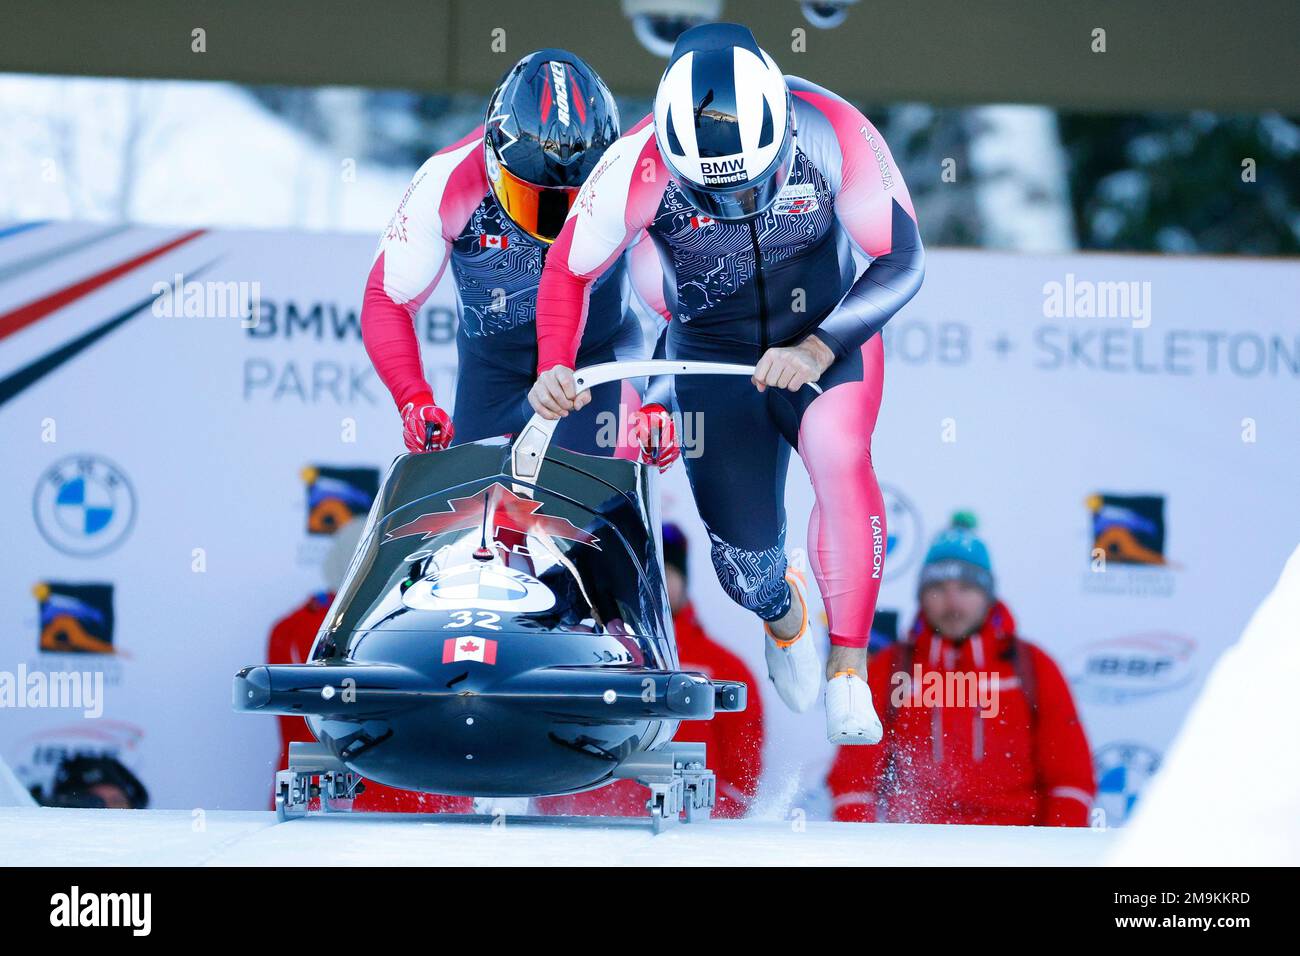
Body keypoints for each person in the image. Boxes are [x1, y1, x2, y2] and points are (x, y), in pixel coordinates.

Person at [528, 22, 924, 742]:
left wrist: (817, 347)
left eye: (753, 187)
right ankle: (783, 612)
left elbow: (903, 261)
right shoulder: (631, 165)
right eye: (715, 197)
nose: (737, 205)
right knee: (744, 567)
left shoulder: (835, 128)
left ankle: (848, 668)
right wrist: (555, 361)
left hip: (828, 337)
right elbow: (567, 269)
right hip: (712, 353)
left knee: (838, 453)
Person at [361, 48, 676, 467]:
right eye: (533, 200)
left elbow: (674, 309)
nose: (556, 226)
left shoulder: (627, 180)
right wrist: (413, 398)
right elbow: (388, 298)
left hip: (594, 365)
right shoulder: (446, 182)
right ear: (493, 161)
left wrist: (659, 402)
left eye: (578, 200)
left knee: (587, 516)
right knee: (469, 513)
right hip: (491, 373)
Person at [826, 514, 1097, 826]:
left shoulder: (1033, 666)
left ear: (988, 595)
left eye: (967, 587)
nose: (952, 601)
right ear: (922, 596)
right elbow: (852, 782)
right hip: (913, 845)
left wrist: (1055, 854)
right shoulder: (890, 667)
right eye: (939, 587)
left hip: (1018, 845)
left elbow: (1071, 780)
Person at [536, 523, 765, 817]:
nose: (653, 586)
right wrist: (556, 815)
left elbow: (743, 763)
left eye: (665, 574)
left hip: (686, 838)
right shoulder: (579, 654)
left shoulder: (724, 666)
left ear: (683, 579)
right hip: (588, 831)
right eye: (642, 577)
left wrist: (714, 822)